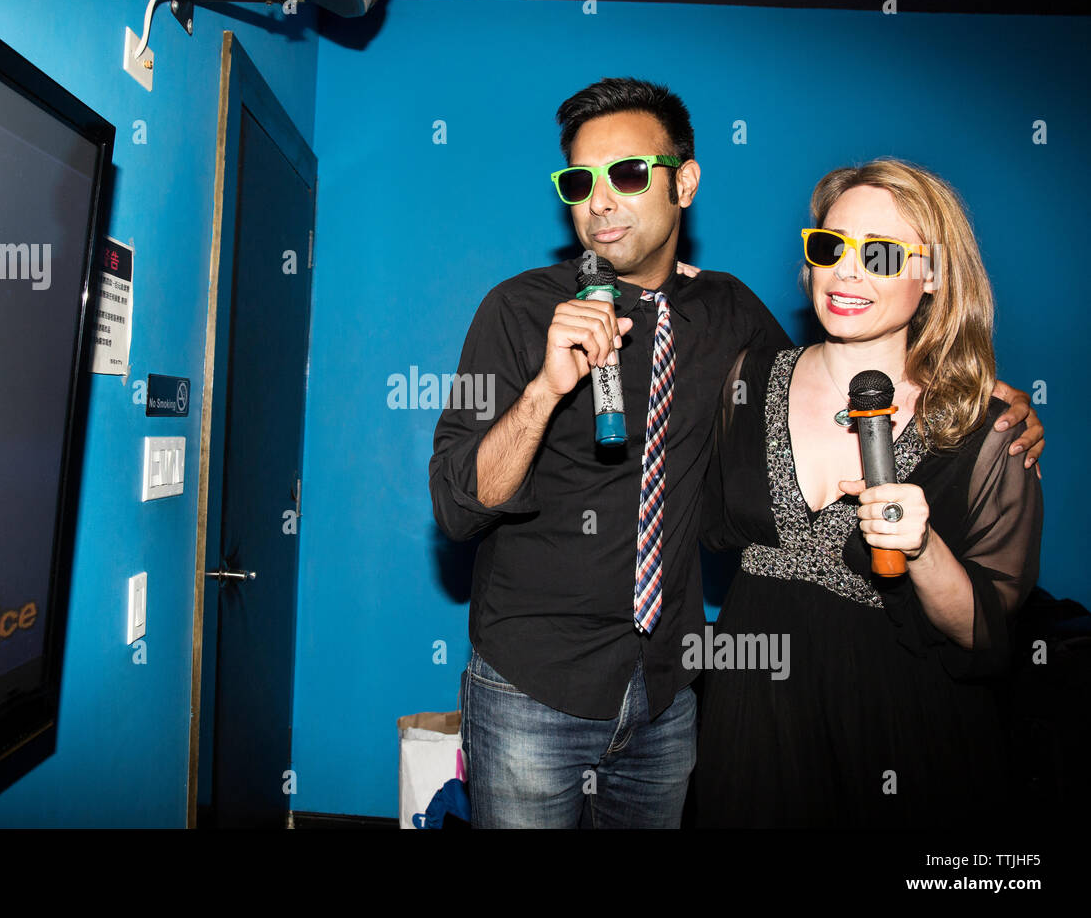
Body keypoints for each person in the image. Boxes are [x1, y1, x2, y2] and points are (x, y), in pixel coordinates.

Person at [428, 78, 1042, 829]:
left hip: (669, 699)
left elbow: (832, 380)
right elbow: (458, 507)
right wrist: (542, 393)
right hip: (534, 687)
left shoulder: (731, 317)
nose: (600, 201)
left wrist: (992, 398)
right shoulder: (517, 311)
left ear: (684, 181)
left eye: (627, 174)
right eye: (579, 181)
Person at [694, 159, 1043, 828]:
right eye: (830, 247)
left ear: (934, 274)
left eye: (881, 255)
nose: (847, 272)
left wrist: (923, 545)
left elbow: (984, 636)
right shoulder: (751, 374)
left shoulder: (985, 429)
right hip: (751, 723)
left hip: (901, 727)